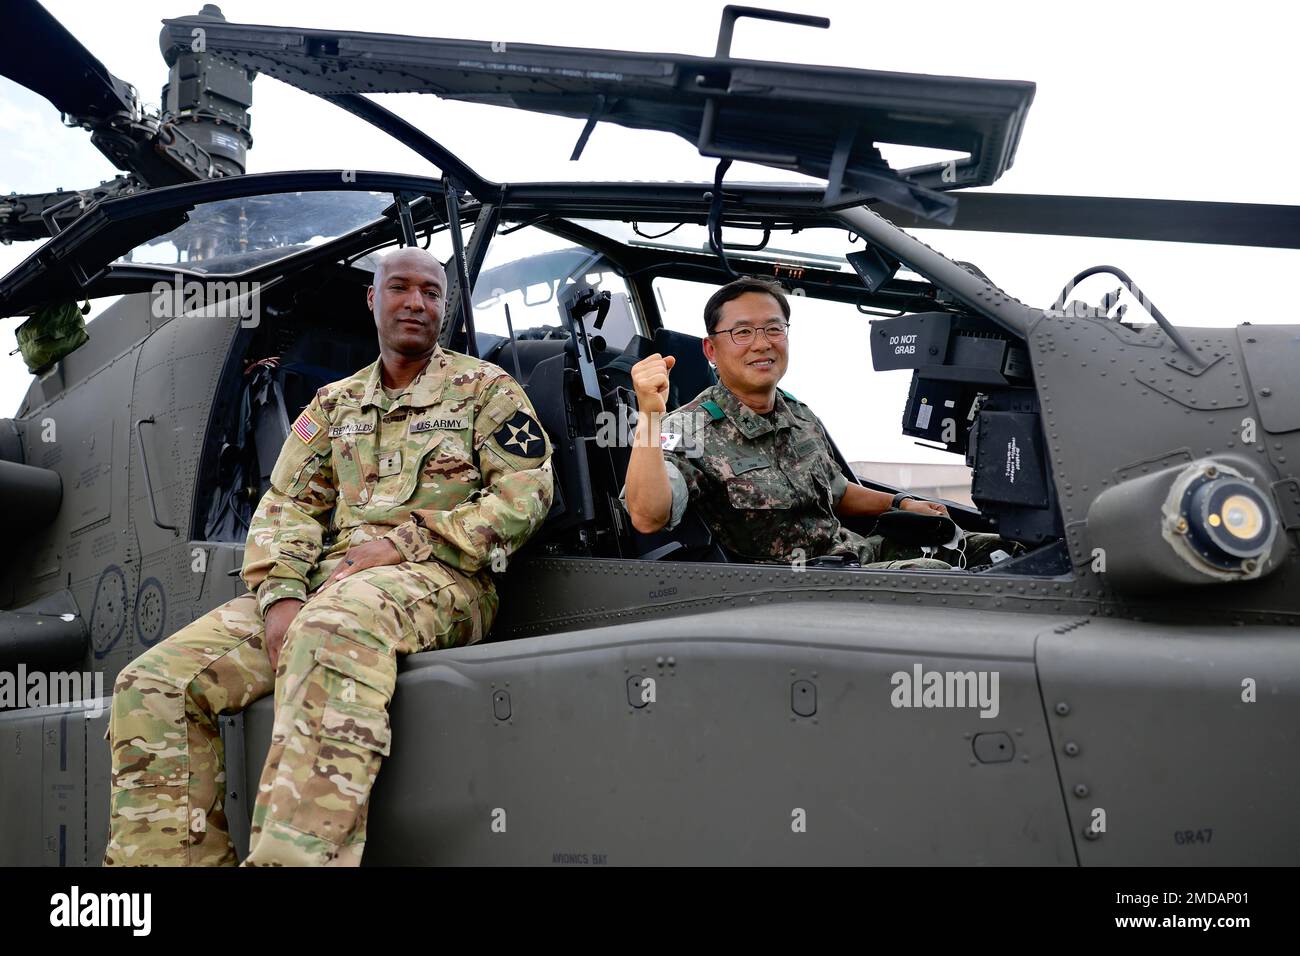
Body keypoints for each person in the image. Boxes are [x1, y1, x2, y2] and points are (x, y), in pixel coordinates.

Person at [104, 247, 553, 866]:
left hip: (444, 580)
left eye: (431, 293)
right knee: (154, 683)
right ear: (373, 299)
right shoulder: (333, 406)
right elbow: (286, 507)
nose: (416, 303)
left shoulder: (485, 392)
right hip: (326, 584)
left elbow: (524, 497)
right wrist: (281, 593)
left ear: (444, 307)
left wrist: (405, 541)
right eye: (400, 288)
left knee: (333, 628)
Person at [622, 276, 1007, 570]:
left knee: (1001, 549)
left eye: (774, 329)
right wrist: (651, 415)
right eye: (742, 332)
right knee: (937, 575)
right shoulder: (687, 427)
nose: (762, 343)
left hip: (852, 555)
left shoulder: (799, 413)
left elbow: (838, 492)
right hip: (797, 586)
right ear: (711, 349)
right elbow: (646, 515)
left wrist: (901, 501)